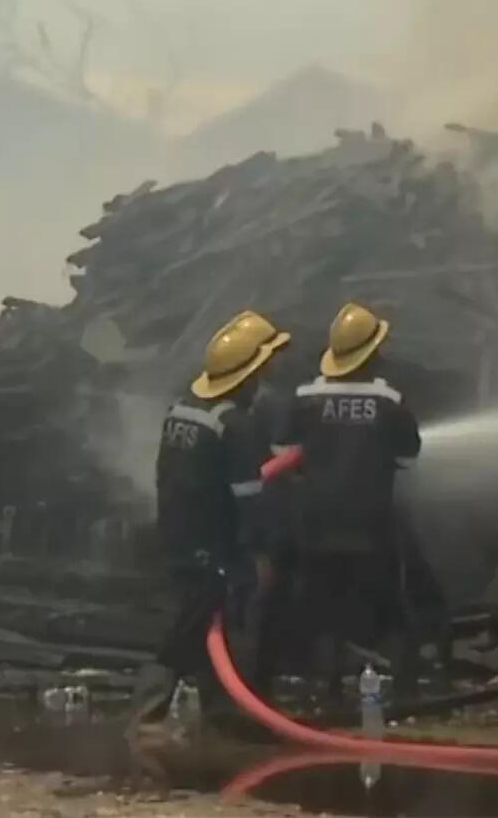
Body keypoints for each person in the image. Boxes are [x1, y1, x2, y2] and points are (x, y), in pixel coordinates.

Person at [131, 309, 289, 728]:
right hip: (212, 543)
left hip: (177, 531)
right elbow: (251, 502)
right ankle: (149, 707)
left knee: (203, 618)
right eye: (262, 370)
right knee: (198, 621)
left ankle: (218, 707)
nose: (264, 380)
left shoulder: (183, 409)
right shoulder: (235, 424)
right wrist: (259, 555)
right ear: (247, 374)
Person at [273, 302, 423, 702]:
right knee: (390, 605)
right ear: (372, 353)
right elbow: (408, 457)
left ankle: (325, 685)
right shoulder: (389, 400)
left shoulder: (305, 398)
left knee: (319, 608)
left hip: (315, 527)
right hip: (370, 527)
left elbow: (282, 454)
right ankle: (404, 685)